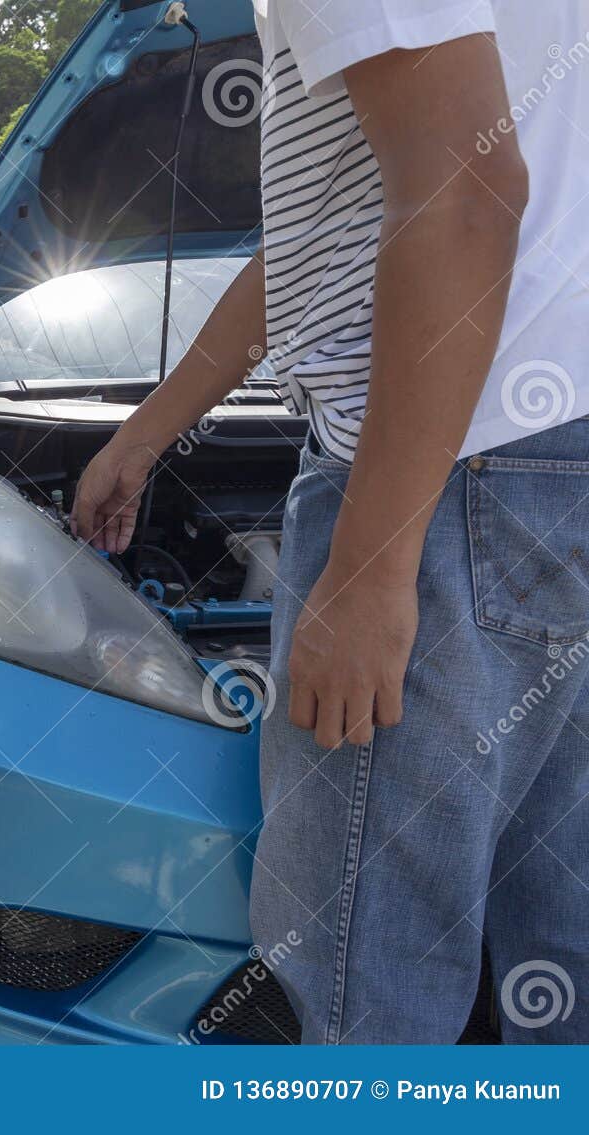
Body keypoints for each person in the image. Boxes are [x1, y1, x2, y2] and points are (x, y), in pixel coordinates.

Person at [73, 0, 589, 1043]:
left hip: (447, 477)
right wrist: (146, 433)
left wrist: (368, 570)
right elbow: (324, 243)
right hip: (548, 460)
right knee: (557, 962)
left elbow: (462, 197)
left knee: (358, 993)